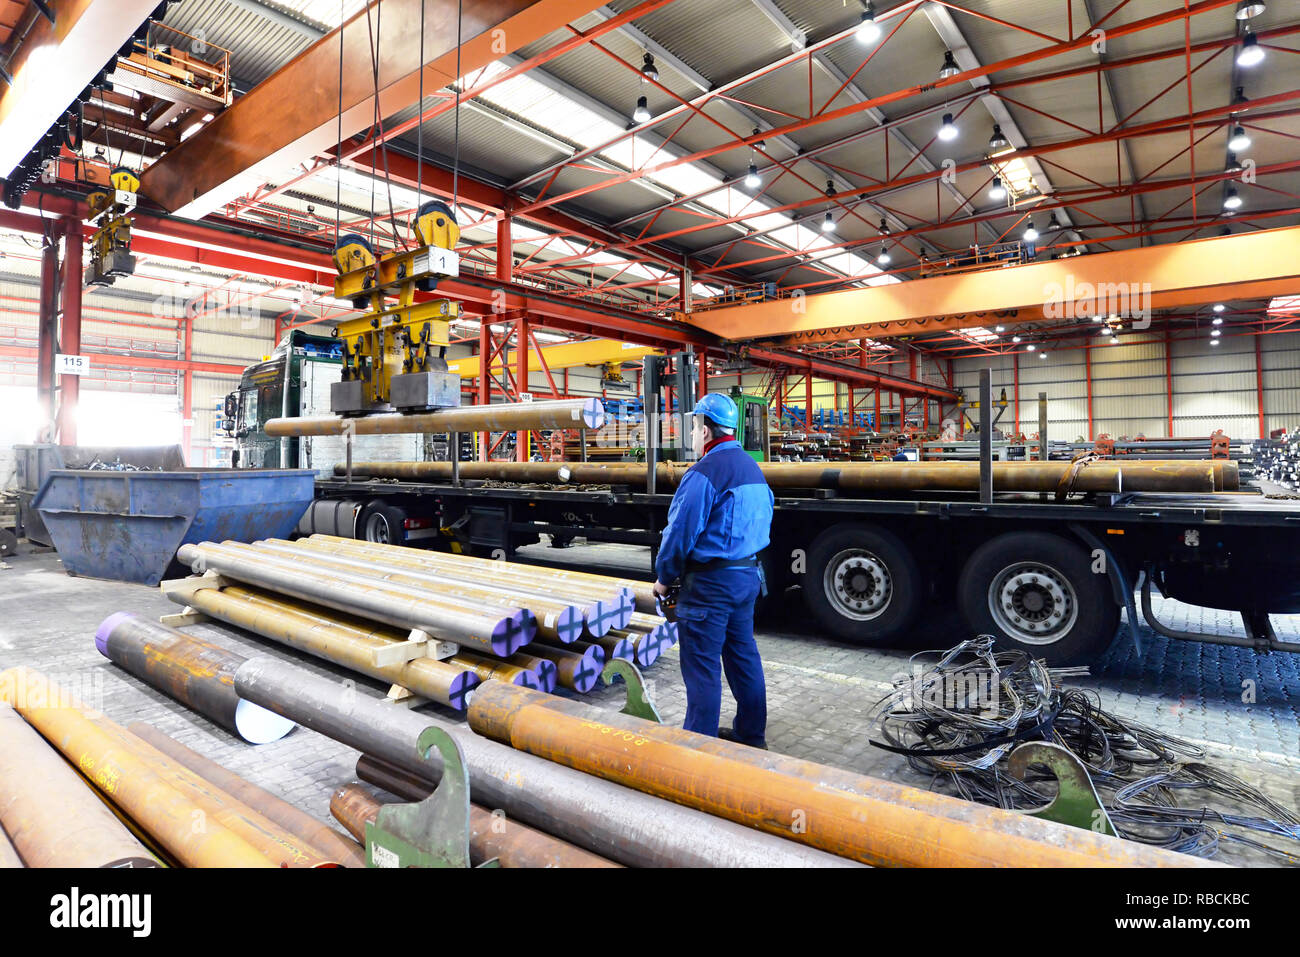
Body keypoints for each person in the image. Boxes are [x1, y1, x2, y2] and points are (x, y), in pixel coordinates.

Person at [653, 392, 775, 748]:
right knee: (743, 658)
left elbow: (679, 532)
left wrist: (664, 578)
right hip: (747, 578)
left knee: (702, 667)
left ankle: (699, 750)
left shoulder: (704, 473)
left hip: (710, 585)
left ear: (706, 431)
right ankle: (751, 736)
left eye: (693, 426)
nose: (690, 434)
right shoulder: (753, 469)